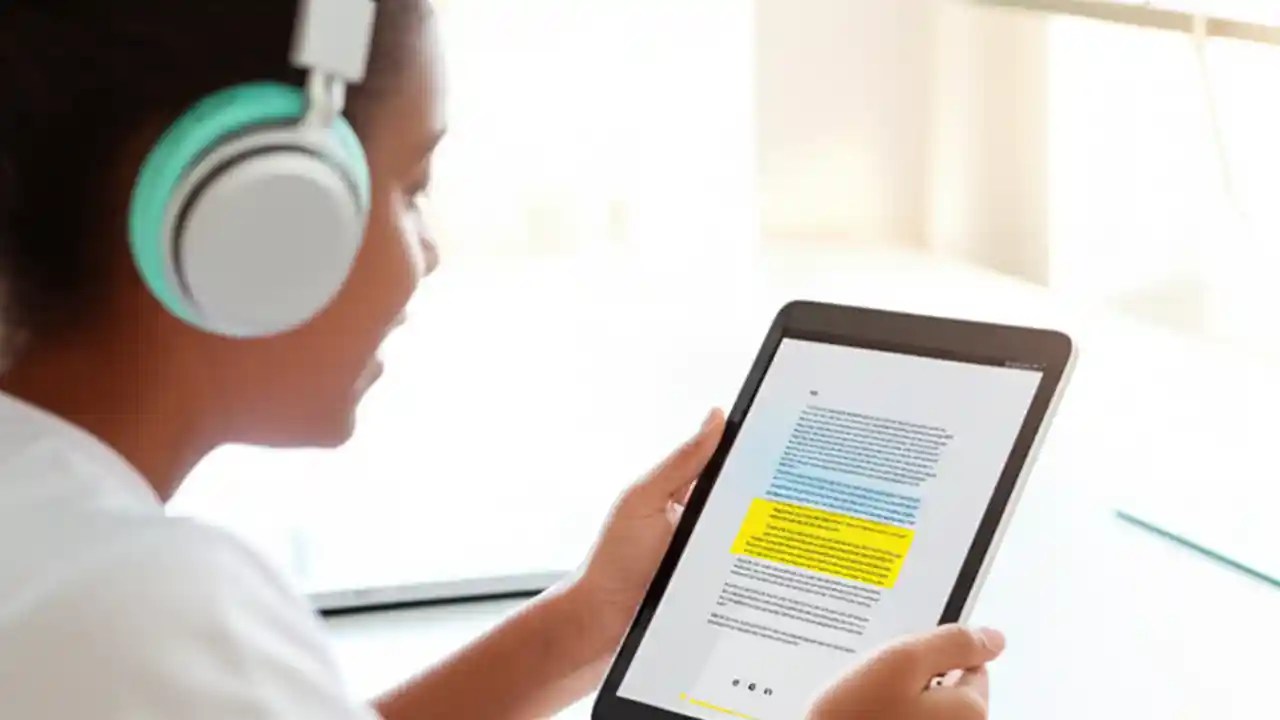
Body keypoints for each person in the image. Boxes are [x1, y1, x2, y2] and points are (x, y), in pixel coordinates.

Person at [0, 2, 1005, 718]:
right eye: (409, 185)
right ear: (265, 213)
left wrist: (580, 624)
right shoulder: (136, 610)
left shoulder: (69, 566)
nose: (427, 249)